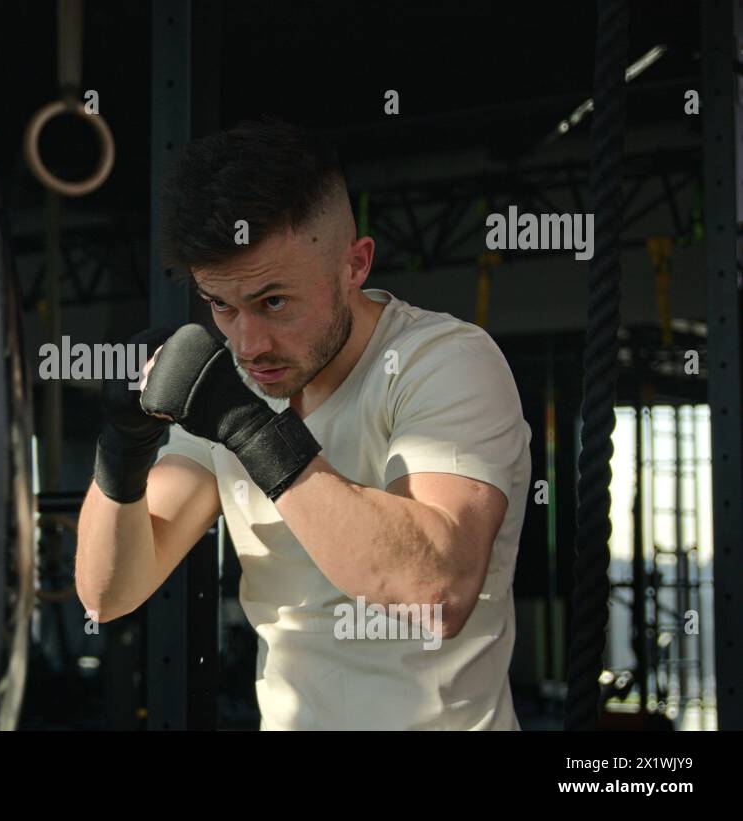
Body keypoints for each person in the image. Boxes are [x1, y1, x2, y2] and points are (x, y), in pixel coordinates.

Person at [75, 117, 532, 730]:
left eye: (274, 302)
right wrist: (121, 449)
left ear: (356, 264)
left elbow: (436, 592)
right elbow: (110, 593)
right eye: (221, 306)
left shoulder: (444, 362)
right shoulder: (232, 382)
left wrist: (250, 430)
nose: (248, 342)